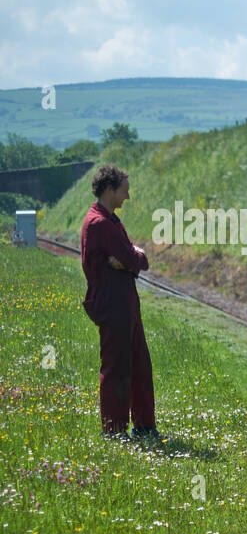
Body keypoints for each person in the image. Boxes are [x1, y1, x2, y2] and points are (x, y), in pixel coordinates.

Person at [80, 164, 157, 440]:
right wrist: (131, 258)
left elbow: (134, 260)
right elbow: (132, 258)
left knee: (138, 365)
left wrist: (129, 259)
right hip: (114, 305)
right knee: (117, 368)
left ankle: (144, 426)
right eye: (124, 190)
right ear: (110, 189)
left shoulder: (109, 220)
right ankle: (113, 430)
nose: (127, 196)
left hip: (124, 303)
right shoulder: (101, 224)